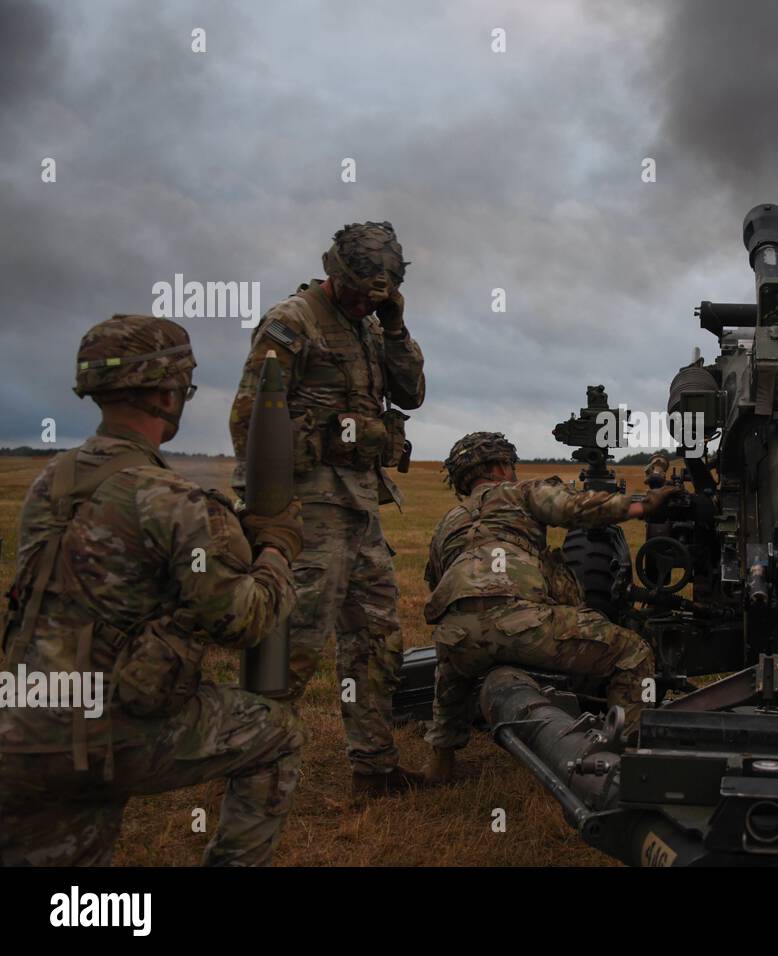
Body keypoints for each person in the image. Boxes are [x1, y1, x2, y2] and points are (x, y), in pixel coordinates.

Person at [0, 314, 304, 865]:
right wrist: (279, 549)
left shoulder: (51, 480)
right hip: (104, 731)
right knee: (277, 733)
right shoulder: (172, 496)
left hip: (20, 724)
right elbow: (242, 620)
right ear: (171, 391)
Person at [229, 222, 427, 799]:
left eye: (381, 294)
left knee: (377, 639)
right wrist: (343, 438)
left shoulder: (370, 326)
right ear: (335, 274)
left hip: (359, 508)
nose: (370, 300)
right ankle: (255, 776)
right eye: (364, 291)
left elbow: (412, 393)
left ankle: (374, 767)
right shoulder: (292, 322)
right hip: (305, 511)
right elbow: (249, 424)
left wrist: (393, 327)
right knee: (292, 646)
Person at [422, 432, 675, 783]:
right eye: (510, 465)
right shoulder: (520, 493)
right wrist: (643, 505)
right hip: (522, 623)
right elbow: (577, 509)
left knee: (451, 668)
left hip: (457, 638)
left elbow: (435, 583)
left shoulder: (447, 523)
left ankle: (441, 763)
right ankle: (624, 764)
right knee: (631, 653)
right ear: (498, 466)